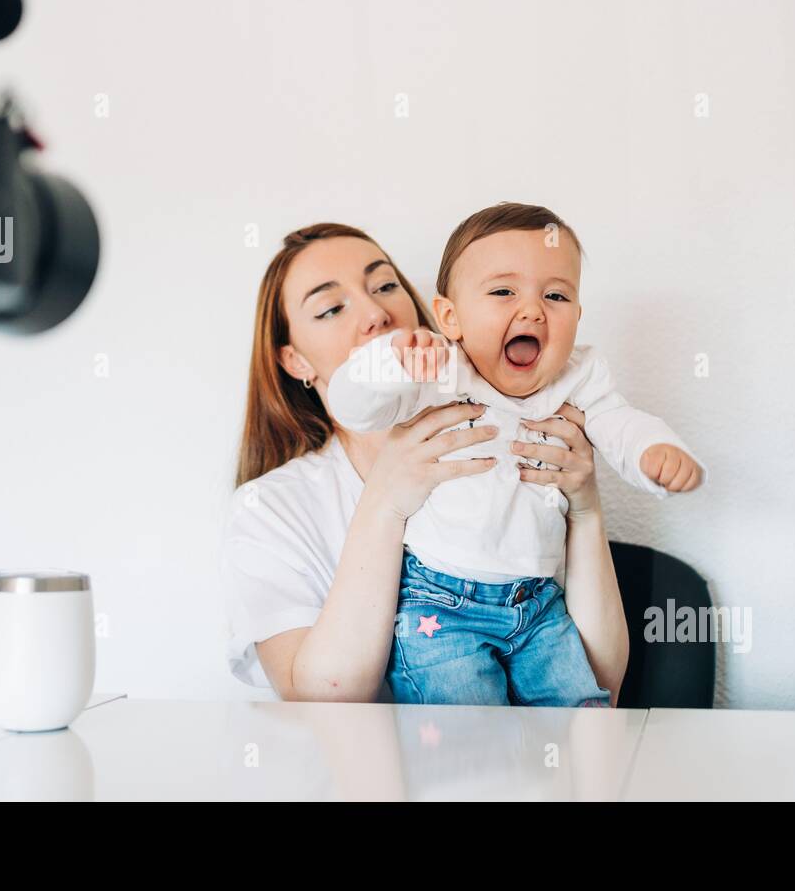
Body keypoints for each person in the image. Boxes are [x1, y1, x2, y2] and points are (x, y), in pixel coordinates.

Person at [221, 222, 631, 705]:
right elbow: (323, 702)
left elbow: (598, 688)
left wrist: (586, 509)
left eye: (385, 286)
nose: (375, 313)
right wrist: (387, 499)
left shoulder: (516, 436)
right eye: (332, 308)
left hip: (540, 770)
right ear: (295, 362)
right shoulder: (268, 507)